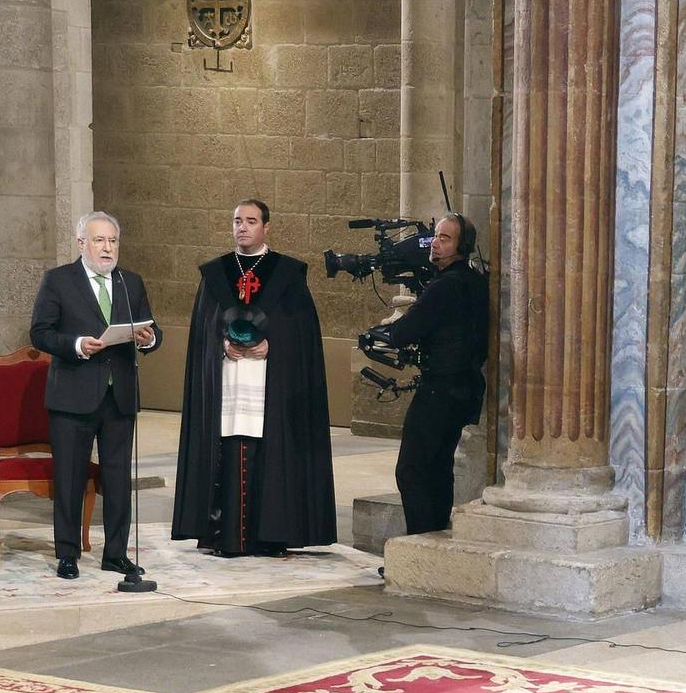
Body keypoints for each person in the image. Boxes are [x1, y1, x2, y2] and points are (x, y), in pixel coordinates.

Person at [171, 199, 336, 556]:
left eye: (250, 221)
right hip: (229, 378)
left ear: (266, 227)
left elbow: (302, 332)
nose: (242, 227)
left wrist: (273, 344)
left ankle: (271, 536)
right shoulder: (216, 274)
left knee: (271, 454)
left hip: (270, 382)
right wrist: (220, 344)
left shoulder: (287, 273)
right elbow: (203, 329)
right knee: (228, 451)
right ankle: (225, 536)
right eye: (237, 221)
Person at [28, 212, 162, 580]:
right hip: (73, 395)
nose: (107, 248)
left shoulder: (130, 282)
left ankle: (115, 554)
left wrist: (150, 338)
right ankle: (68, 554)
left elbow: (151, 328)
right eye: (99, 240)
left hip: (119, 396)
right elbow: (40, 332)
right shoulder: (59, 280)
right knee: (70, 478)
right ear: (81, 243)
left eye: (113, 241)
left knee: (118, 480)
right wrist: (76, 344)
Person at [362, 213, 490, 535]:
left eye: (445, 238)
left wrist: (388, 332)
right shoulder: (476, 281)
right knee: (439, 467)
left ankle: (419, 539)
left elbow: (403, 332)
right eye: (436, 236)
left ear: (462, 246)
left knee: (412, 469)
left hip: (440, 389)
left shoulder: (445, 287)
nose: (435, 243)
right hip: (467, 387)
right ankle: (434, 535)